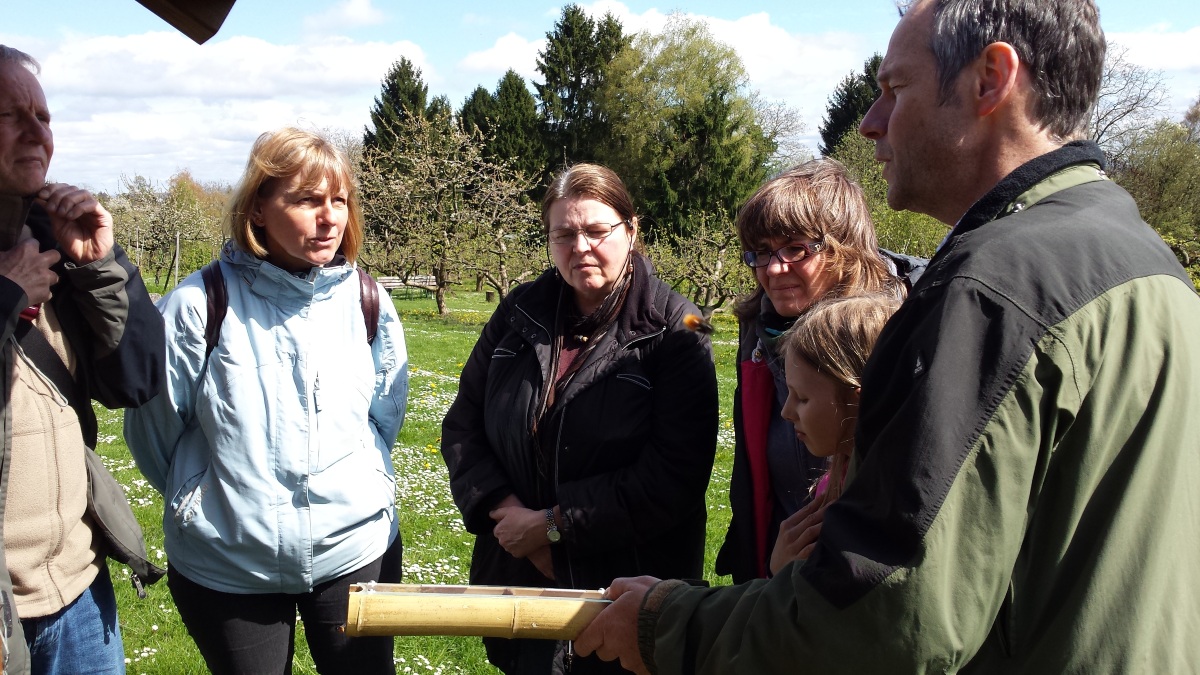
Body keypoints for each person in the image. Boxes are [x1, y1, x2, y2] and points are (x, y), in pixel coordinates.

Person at [574, 0, 1200, 672]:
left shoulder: (991, 290)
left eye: (894, 89)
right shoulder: (1146, 260)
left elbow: (887, 619)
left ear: (991, 79)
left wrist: (669, 625)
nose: (870, 124)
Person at [123, 127, 409, 675]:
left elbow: (384, 416)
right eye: (306, 200)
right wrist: (204, 498)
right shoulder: (194, 307)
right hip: (229, 566)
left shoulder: (368, 301)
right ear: (257, 209)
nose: (329, 218)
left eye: (339, 201)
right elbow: (153, 432)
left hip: (354, 552)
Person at [440, 163, 718, 675]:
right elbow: (463, 425)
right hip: (518, 581)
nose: (580, 247)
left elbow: (673, 477)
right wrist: (507, 517)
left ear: (631, 230)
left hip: (621, 590)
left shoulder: (675, 330)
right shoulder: (518, 314)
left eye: (596, 230)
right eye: (563, 234)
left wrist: (552, 528)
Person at [0, 46, 165, 674]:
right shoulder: (20, 272)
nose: (38, 132)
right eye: (12, 115)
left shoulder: (50, 244)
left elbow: (139, 379)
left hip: (77, 595)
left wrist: (100, 267)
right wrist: (8, 296)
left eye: (43, 115)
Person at [715, 158, 923, 583]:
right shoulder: (760, 329)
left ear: (845, 248)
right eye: (761, 252)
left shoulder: (901, 332)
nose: (773, 269)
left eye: (795, 248)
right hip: (779, 586)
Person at [766, 294, 899, 576]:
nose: (786, 412)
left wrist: (785, 573)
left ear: (859, 401)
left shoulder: (878, 510)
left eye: (801, 397)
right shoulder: (836, 482)